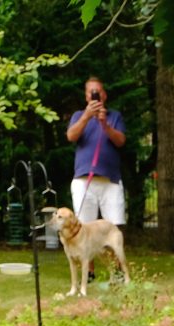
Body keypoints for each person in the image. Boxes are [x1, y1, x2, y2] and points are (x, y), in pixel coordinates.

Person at [67, 76, 128, 227]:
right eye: (91, 92)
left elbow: (120, 141)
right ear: (86, 96)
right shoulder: (78, 116)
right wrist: (86, 117)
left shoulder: (114, 116)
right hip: (84, 180)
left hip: (110, 180)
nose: (95, 95)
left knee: (114, 228)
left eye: (98, 92)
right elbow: (71, 136)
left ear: (104, 95)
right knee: (83, 229)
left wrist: (105, 125)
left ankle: (113, 252)